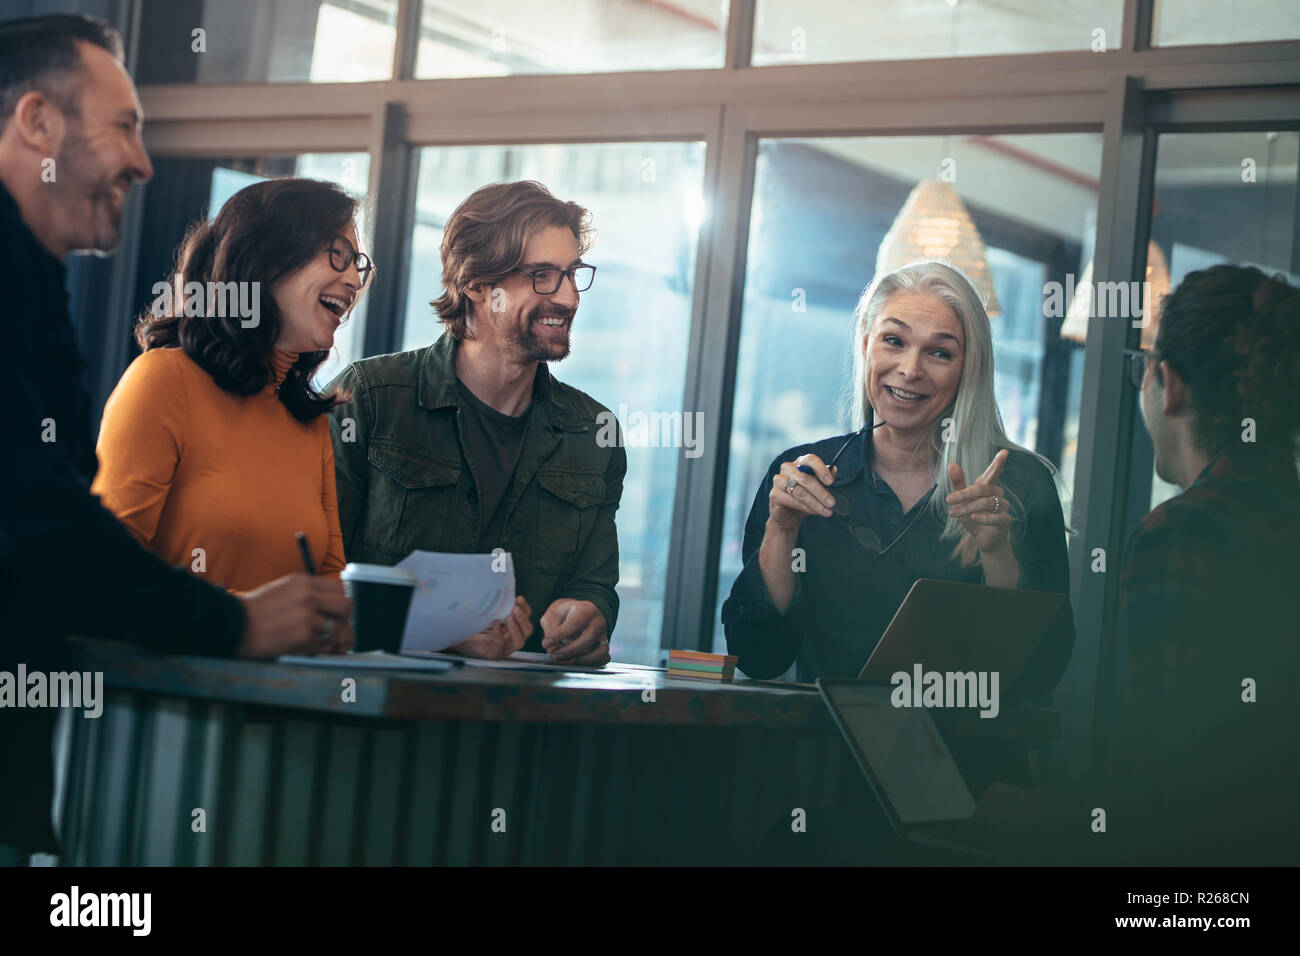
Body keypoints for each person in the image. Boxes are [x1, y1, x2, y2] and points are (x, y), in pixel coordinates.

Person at [0, 13, 351, 862]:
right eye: (124, 125)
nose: (143, 161)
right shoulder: (131, 359)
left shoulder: (31, 278)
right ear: (37, 122)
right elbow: (48, 527)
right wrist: (231, 626)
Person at [974, 264, 1300, 865]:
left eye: (1140, 370)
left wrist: (1054, 822)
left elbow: (1170, 808)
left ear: (1166, 382)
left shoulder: (1186, 533)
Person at [723, 261, 1074, 696]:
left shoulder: (1018, 486)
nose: (910, 369)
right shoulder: (803, 476)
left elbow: (1041, 672)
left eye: (939, 352)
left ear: (969, 369)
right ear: (867, 344)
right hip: (826, 752)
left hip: (968, 755)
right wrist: (781, 530)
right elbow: (757, 656)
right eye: (894, 341)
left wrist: (997, 553)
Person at [328, 180, 624, 664]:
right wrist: (436, 631)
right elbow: (314, 580)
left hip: (519, 725)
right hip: (373, 716)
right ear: (476, 284)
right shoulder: (368, 400)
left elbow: (594, 585)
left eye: (573, 274)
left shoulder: (594, 434)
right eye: (543, 275)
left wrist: (587, 612)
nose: (569, 297)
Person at [93, 178, 367, 626]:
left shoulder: (307, 420)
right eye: (337, 254)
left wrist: (446, 631)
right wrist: (246, 617)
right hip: (175, 687)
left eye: (358, 263)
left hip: (282, 693)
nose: (355, 279)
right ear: (265, 257)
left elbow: (329, 585)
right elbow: (105, 574)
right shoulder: (163, 380)